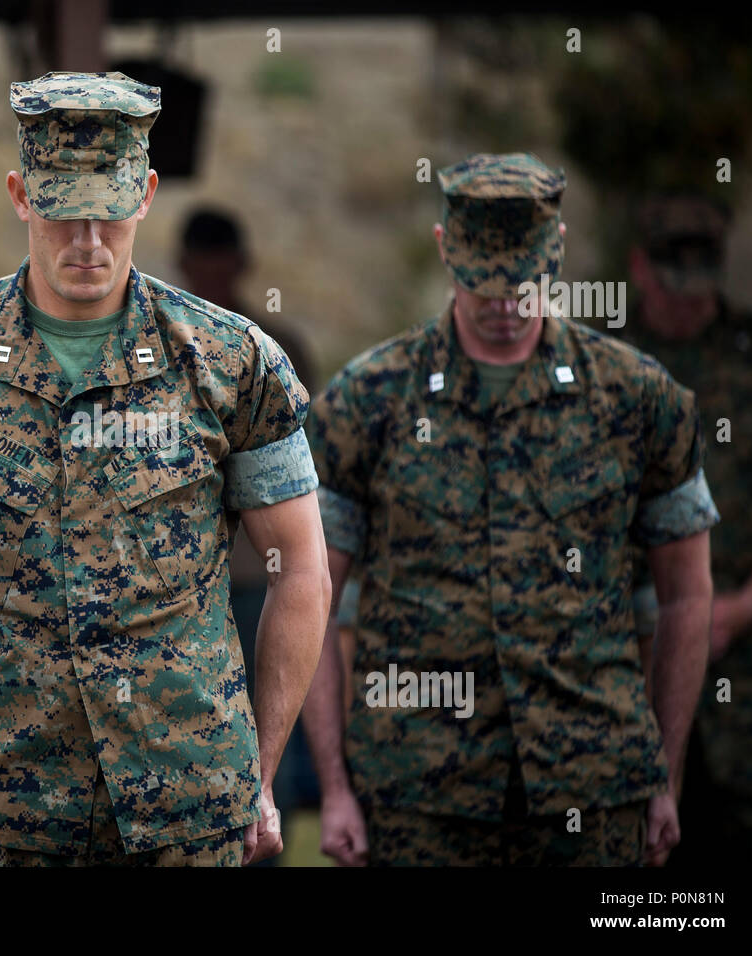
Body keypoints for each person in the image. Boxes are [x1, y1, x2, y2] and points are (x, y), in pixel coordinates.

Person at [0, 71, 330, 867]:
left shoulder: (228, 362)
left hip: (184, 802)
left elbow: (303, 570)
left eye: (109, 213)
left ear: (146, 195)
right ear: (20, 195)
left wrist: (255, 773)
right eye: (61, 211)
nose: (87, 241)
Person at [304, 153, 718, 866]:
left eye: (522, 283)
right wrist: (335, 788)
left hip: (591, 789)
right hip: (417, 798)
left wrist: (663, 777)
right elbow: (310, 600)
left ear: (554, 255)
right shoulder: (366, 402)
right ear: (445, 251)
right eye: (479, 282)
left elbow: (684, 598)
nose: (502, 304)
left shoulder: (637, 401)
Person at [620, 192, 752, 865]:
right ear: (639, 269)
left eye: (700, 279)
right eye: (671, 281)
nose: (687, 299)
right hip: (633, 661)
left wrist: (742, 607)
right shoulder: (608, 367)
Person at [177, 206, 321, 858]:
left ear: (240, 265)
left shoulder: (272, 350)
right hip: (189, 592)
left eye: (220, 263)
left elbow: (298, 484)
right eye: (199, 264)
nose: (210, 276)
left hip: (262, 578)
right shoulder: (166, 353)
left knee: (271, 737)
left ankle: (268, 829)